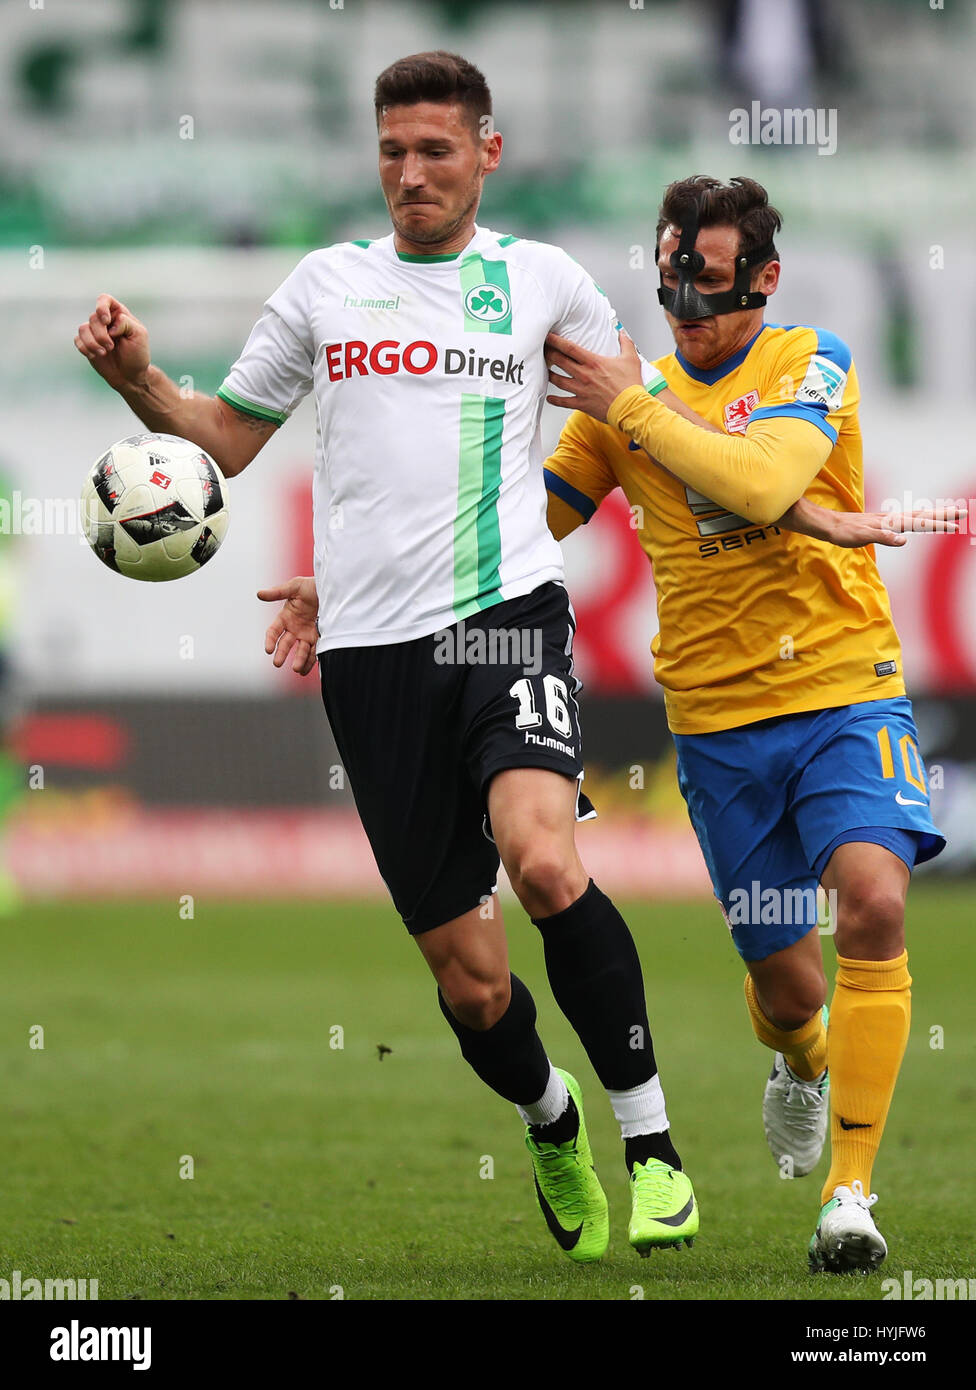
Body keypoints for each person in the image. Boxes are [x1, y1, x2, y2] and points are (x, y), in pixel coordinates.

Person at [74, 50, 708, 1264]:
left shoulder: (542, 281)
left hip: (507, 616)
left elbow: (639, 419)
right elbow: (224, 441)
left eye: (433, 149)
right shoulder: (326, 287)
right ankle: (550, 1114)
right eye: (390, 152)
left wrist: (711, 457)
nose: (409, 173)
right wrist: (138, 378)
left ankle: (653, 1145)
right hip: (371, 656)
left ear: (486, 152)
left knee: (544, 864)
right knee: (472, 985)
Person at [542, 174, 948, 1274]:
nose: (685, 312)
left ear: (763, 278)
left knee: (869, 899)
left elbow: (765, 484)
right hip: (717, 728)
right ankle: (801, 1061)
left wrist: (628, 402)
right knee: (787, 986)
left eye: (706, 290)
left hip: (840, 691)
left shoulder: (807, 360)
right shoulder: (634, 400)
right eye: (668, 290)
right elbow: (526, 528)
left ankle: (849, 1196)